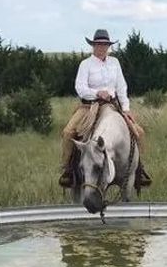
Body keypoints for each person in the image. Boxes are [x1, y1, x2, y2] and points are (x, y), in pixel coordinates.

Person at [59, 28, 151, 189]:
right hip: (89, 106)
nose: (102, 47)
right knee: (68, 132)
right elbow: (80, 87)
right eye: (99, 44)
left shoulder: (115, 62)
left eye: (105, 44)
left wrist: (126, 108)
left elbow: (121, 86)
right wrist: (97, 93)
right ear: (93, 45)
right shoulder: (85, 64)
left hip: (113, 105)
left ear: (108, 46)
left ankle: (138, 169)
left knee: (139, 132)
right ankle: (68, 170)